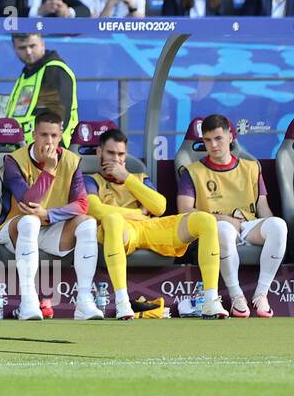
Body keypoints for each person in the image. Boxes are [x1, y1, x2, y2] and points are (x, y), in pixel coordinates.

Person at [86, 128, 223, 320]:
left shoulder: (138, 178)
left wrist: (127, 177)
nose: (116, 159)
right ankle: (122, 302)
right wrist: (137, 213)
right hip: (121, 231)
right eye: (111, 153)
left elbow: (159, 207)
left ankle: (210, 301)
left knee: (205, 220)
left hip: (150, 228)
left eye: (121, 154)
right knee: (112, 218)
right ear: (100, 152)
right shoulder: (91, 180)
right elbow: (96, 210)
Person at [0, 111, 102, 321]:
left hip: (52, 227)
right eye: (43, 135)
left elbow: (82, 205)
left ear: (60, 137)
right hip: (14, 229)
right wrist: (50, 170)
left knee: (88, 223)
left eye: (53, 135)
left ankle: (85, 302)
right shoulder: (13, 161)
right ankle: (29, 301)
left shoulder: (71, 161)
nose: (48, 141)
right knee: (31, 221)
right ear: (33, 134)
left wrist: (50, 214)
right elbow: (28, 202)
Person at [175, 115, 289, 318]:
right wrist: (222, 219)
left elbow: (263, 208)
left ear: (230, 136)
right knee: (223, 229)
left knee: (278, 225)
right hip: (216, 230)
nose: (213, 145)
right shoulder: (192, 172)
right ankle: (237, 297)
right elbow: (185, 212)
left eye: (218, 138)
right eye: (208, 140)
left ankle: (261, 294)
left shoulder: (251, 167)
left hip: (249, 226)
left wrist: (273, 230)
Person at [5, 32, 78, 146]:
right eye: (22, 48)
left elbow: (53, 122)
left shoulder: (53, 70)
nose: (28, 52)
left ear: (42, 44)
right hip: (26, 152)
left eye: (32, 46)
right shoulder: (27, 74)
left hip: (47, 153)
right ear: (14, 48)